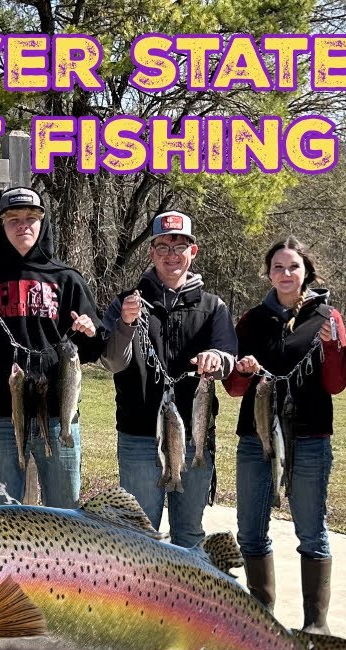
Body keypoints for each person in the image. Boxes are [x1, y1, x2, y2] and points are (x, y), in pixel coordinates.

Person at [222, 238, 346, 634]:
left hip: (310, 436)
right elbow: (234, 389)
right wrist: (242, 370)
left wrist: (332, 348)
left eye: (293, 267)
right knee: (251, 530)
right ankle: (261, 617)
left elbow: (337, 383)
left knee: (311, 530)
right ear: (269, 273)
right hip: (256, 436)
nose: (286, 274)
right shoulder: (252, 319)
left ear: (306, 272)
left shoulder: (328, 317)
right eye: (278, 267)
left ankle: (316, 623)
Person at [0, 187, 106, 509]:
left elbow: (93, 350)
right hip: (1, 413)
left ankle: (62, 561)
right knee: (0, 508)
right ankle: (6, 561)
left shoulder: (66, 279)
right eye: (14, 220)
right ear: (1, 226)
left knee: (64, 508)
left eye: (31, 219)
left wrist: (90, 332)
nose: (23, 226)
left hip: (58, 411)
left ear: (43, 224)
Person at [101, 210, 237, 548]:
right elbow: (113, 361)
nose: (171, 256)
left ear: (194, 251)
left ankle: (186, 602)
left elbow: (228, 359)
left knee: (189, 534)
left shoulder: (213, 307)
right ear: (151, 253)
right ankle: (142, 601)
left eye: (179, 247)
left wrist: (216, 359)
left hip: (194, 437)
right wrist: (126, 324)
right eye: (163, 247)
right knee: (138, 537)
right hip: (138, 438)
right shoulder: (127, 303)